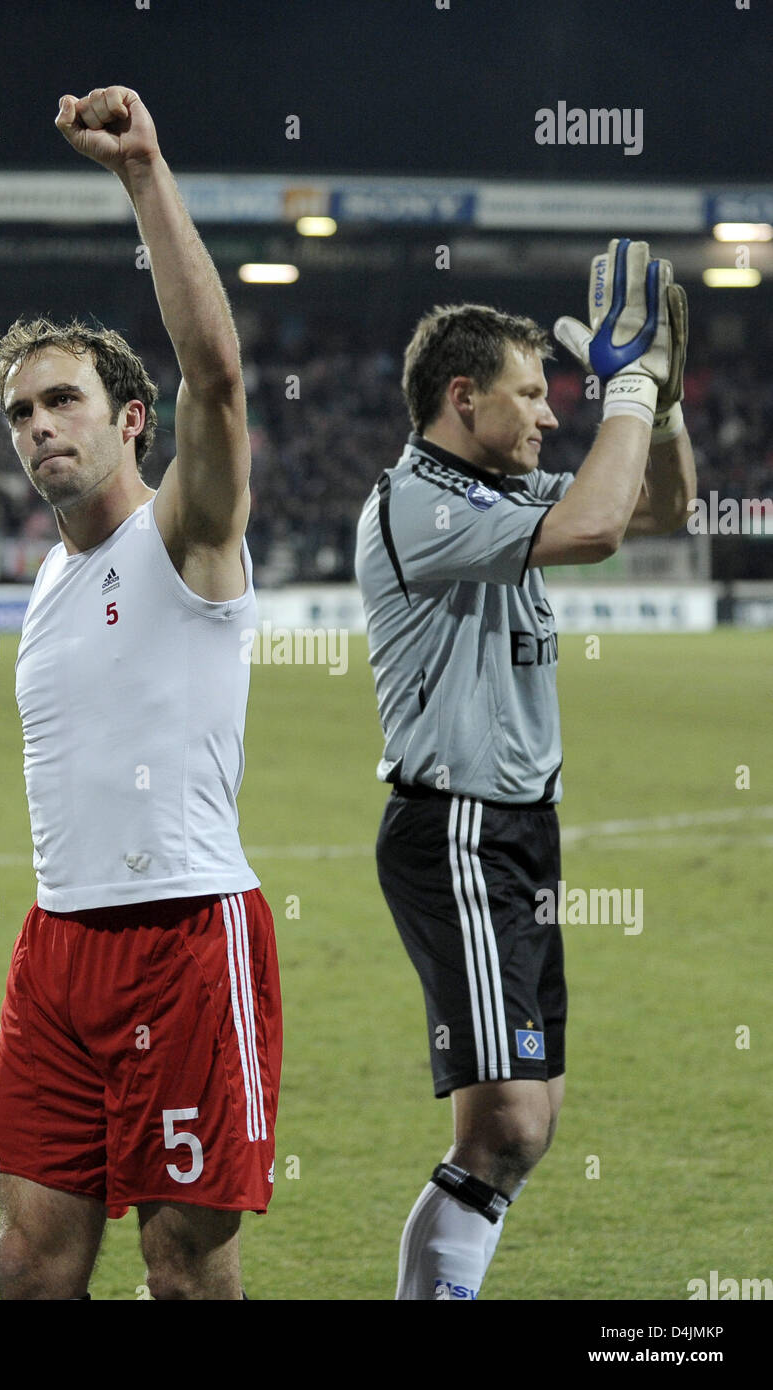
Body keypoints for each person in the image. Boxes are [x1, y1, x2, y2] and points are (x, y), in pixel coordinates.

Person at [0, 85, 281, 1301]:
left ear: (129, 419)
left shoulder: (185, 537)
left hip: (185, 936)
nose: (40, 427)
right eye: (19, 412)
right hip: (58, 945)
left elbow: (218, 375)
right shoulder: (52, 577)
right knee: (30, 1260)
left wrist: (144, 176)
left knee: (178, 1263)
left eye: (63, 402)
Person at [354, 240, 695, 1300]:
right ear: (461, 399)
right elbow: (595, 526)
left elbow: (658, 511)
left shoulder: (494, 484)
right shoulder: (418, 500)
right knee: (503, 1115)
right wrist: (624, 383)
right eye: (527, 395)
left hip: (515, 833)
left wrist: (663, 403)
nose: (549, 416)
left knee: (522, 1129)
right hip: (452, 826)